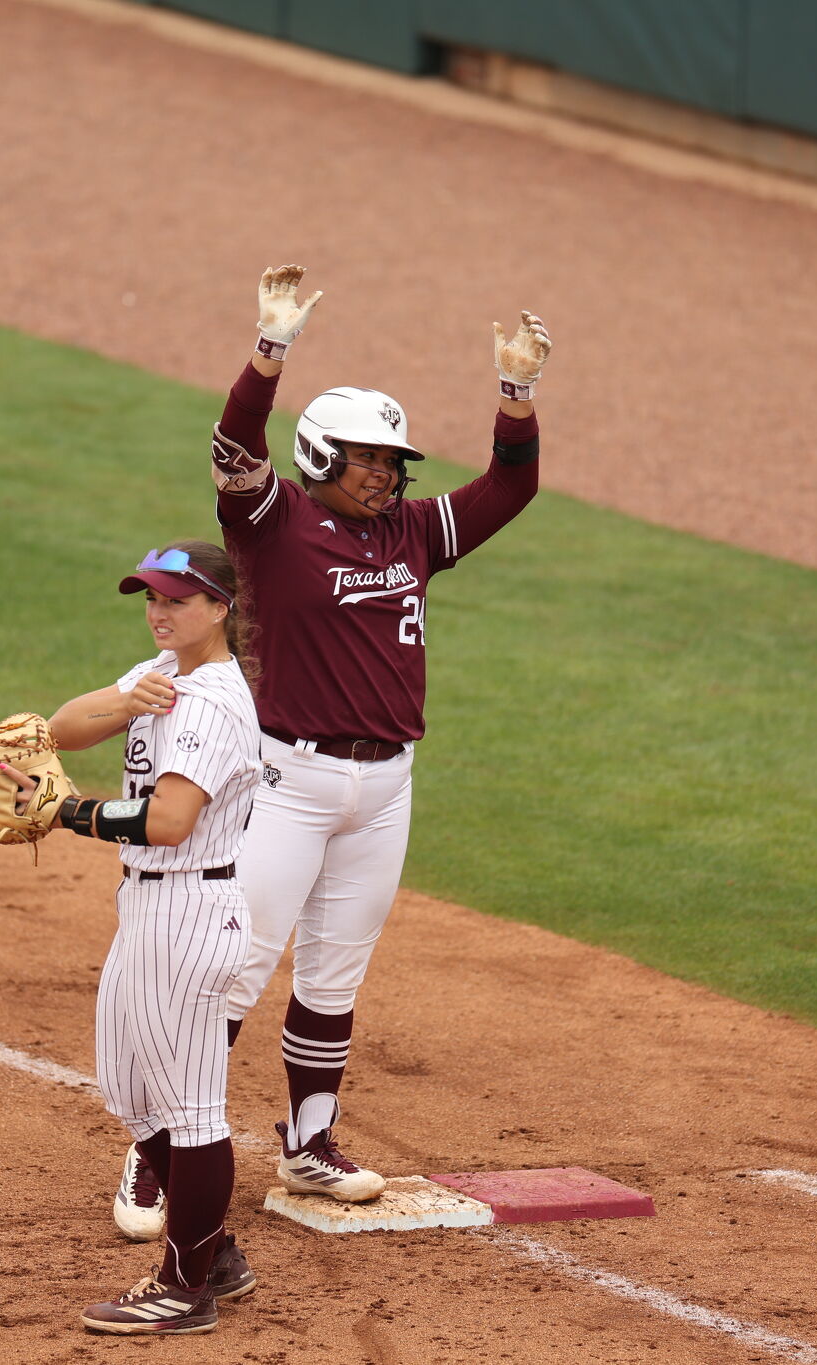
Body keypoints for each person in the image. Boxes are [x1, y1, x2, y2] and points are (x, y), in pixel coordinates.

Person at [112, 265, 553, 1238]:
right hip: (285, 781)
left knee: (332, 977)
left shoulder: (414, 532)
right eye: (366, 458)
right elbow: (232, 446)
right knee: (231, 969)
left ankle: (308, 1143)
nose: (386, 473)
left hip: (384, 785)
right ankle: (156, 1153)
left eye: (392, 459)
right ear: (321, 456)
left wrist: (514, 398)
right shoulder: (274, 526)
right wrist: (267, 353)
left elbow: (512, 486)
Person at [9, 540, 262, 1334]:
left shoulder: (214, 699)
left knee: (191, 1110)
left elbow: (170, 820)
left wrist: (67, 813)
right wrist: (131, 702)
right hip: (147, 910)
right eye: (150, 597)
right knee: (125, 1086)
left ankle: (186, 1285)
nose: (158, 611)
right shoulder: (163, 678)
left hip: (189, 910)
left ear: (220, 608)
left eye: (177, 600)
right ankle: (213, 1248)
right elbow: (61, 727)